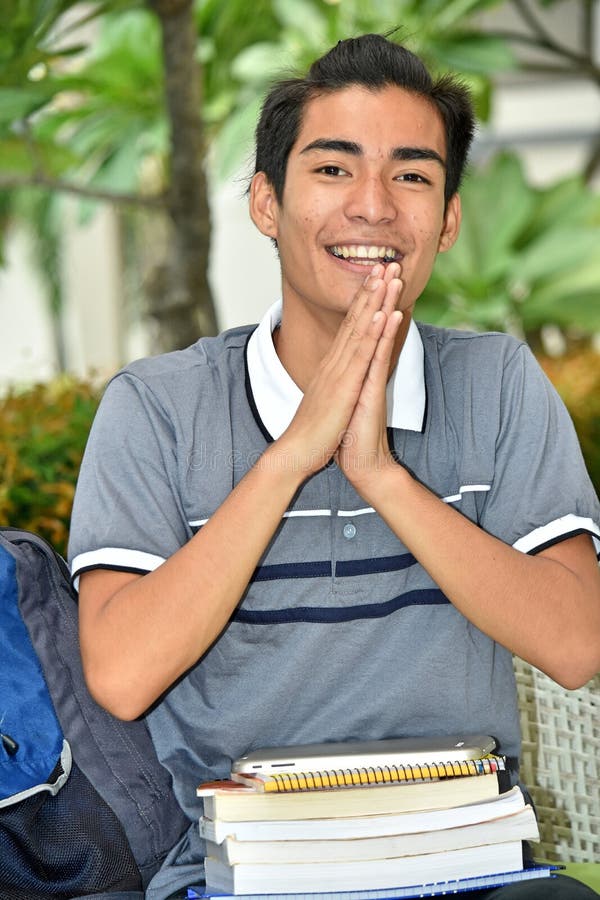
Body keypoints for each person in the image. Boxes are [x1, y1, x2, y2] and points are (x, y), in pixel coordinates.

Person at [68, 32, 600, 900]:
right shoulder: (156, 407)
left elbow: (577, 645)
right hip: (241, 875)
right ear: (267, 205)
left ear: (449, 219)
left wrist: (384, 476)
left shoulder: (498, 384)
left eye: (414, 176)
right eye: (334, 169)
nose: (375, 207)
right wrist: (293, 457)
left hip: (469, 866)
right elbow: (123, 676)